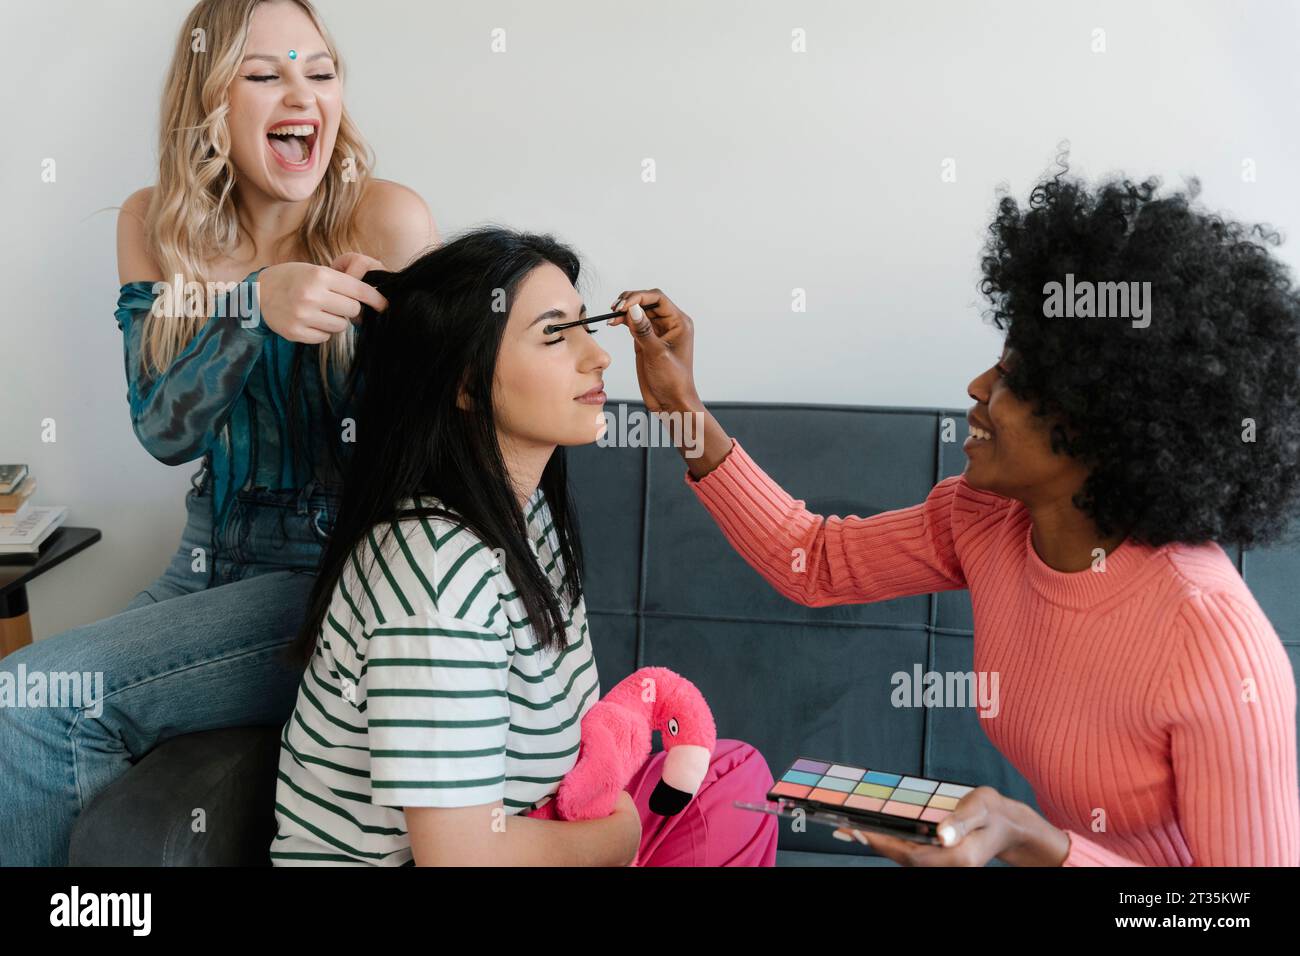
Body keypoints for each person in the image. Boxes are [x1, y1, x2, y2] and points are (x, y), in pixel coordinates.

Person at [608, 164, 1300, 866]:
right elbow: (810, 561)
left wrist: (1044, 845)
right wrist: (678, 405)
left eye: (1012, 378)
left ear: (1102, 422)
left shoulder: (1211, 641)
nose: (976, 388)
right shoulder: (986, 518)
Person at [0, 0, 436, 865]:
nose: (301, 96)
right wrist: (250, 308)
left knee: (25, 699)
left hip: (327, 576)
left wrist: (397, 338)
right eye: (265, 75)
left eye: (319, 71)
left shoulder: (388, 221)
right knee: (44, 702)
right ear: (209, 103)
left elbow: (424, 460)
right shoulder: (153, 223)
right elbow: (163, 432)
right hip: (203, 556)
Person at [270, 227, 779, 866]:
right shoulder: (437, 572)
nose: (599, 358)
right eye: (555, 334)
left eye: (586, 327)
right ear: (463, 385)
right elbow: (461, 859)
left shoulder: (525, 511)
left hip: (531, 820)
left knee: (732, 780)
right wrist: (617, 832)